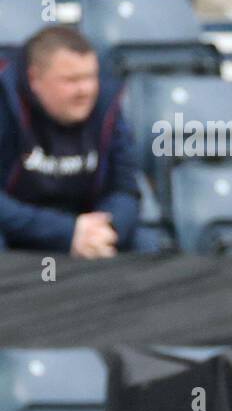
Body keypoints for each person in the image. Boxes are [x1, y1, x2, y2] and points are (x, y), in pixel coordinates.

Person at [0, 25, 140, 256]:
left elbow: (126, 189)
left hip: (88, 229)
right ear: (35, 79)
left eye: (89, 77)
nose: (85, 90)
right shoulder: (6, 101)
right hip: (18, 230)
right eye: (71, 80)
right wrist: (66, 232)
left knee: (146, 244)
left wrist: (107, 228)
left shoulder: (106, 103)